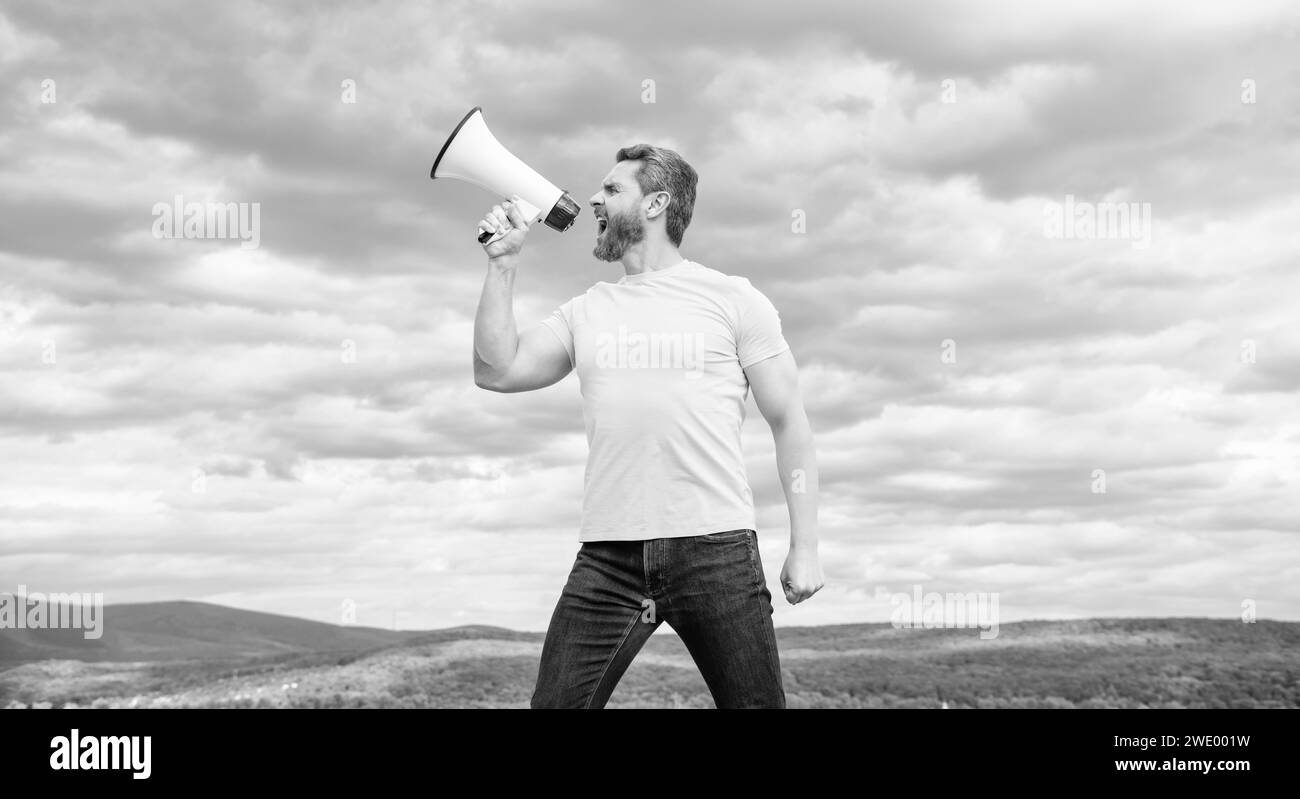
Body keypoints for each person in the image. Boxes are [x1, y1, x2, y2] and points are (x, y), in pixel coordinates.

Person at [472, 144, 823, 708]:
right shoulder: (586, 310)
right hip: (607, 558)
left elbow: (790, 423)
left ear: (657, 203)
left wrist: (805, 548)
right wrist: (502, 264)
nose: (593, 198)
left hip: (716, 551)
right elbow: (497, 370)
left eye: (612, 189)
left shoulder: (733, 299)